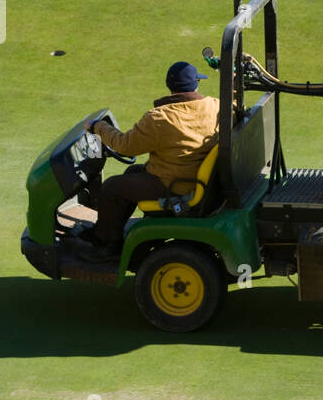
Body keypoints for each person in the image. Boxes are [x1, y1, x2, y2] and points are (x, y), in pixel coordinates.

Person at [74, 61, 219, 262]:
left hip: (175, 185)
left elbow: (124, 145)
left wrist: (98, 127)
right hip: (194, 176)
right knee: (133, 172)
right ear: (196, 85)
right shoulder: (216, 106)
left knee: (112, 187)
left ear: (170, 87)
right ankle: (108, 232)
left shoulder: (159, 118)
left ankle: (107, 245)